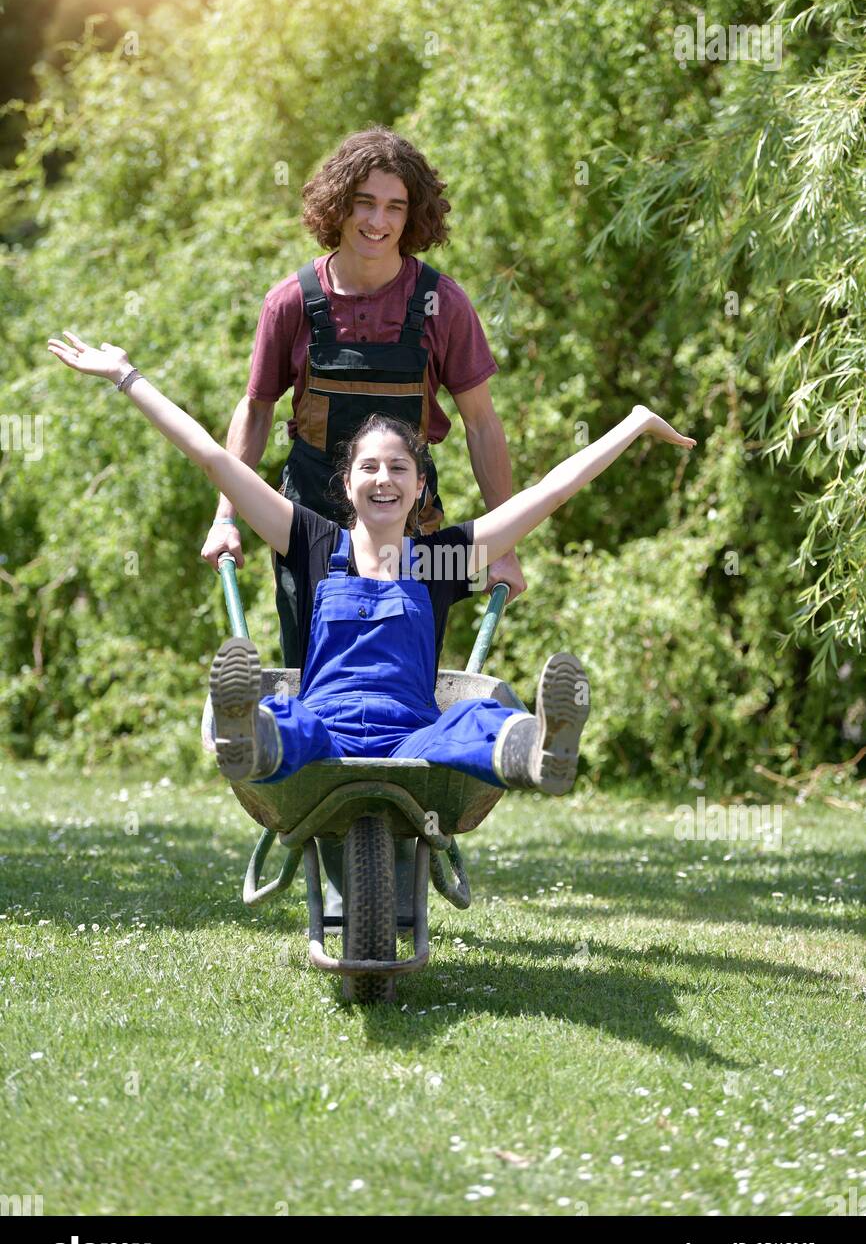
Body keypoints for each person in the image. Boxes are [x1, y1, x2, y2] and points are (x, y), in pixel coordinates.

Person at [46, 330, 697, 799]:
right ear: (347, 481)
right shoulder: (310, 540)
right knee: (284, 715)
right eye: (369, 467)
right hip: (323, 730)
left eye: (399, 468)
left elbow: (548, 493)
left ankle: (540, 748)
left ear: (419, 486)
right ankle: (249, 734)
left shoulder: (441, 560)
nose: (383, 479)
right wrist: (127, 377)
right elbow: (217, 460)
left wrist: (633, 424)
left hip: (413, 738)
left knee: (474, 718)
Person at [199, 127, 527, 675]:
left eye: (395, 207)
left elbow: (483, 426)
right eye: (365, 203)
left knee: (403, 677)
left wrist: (505, 544)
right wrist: (225, 517)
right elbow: (256, 409)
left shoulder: (442, 304)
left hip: (407, 526)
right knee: (313, 675)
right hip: (307, 527)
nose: (378, 222)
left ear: (413, 216)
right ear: (338, 204)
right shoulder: (292, 302)